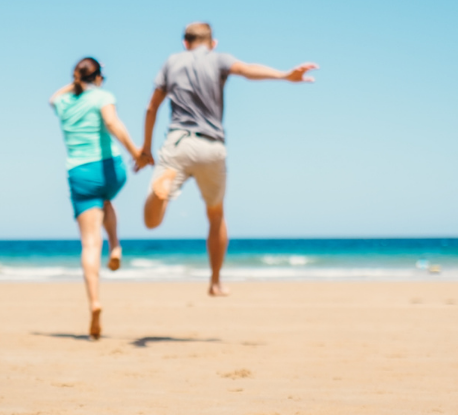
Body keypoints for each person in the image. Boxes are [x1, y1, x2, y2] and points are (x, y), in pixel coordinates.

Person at [135, 22, 318, 296]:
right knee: (216, 215)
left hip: (178, 142)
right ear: (213, 43)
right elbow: (247, 70)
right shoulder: (219, 59)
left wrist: (146, 149)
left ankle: (160, 193)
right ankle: (215, 282)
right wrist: (283, 75)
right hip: (212, 146)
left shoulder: (172, 62)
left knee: (151, 221)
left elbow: (152, 107)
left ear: (185, 42)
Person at [50, 57, 141, 340]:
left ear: (76, 76)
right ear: (99, 77)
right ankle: (115, 245)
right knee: (106, 200)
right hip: (109, 167)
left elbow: (53, 97)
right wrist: (136, 152)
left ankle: (95, 303)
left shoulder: (64, 103)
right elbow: (113, 123)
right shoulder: (102, 95)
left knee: (90, 244)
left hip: (80, 173)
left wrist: (77, 80)